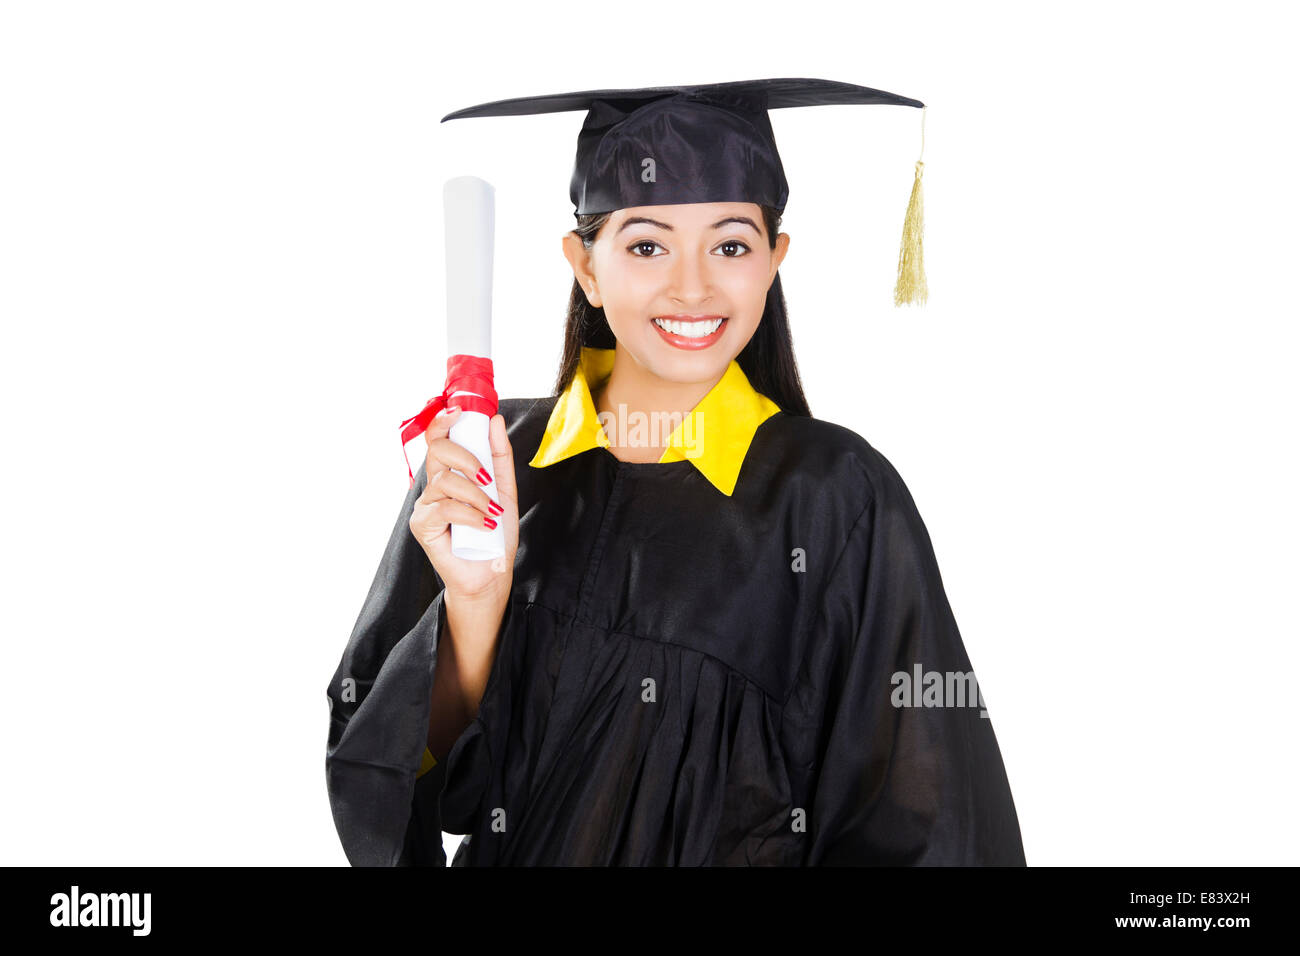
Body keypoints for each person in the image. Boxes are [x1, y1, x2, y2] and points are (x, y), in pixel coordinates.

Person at [325, 79, 1027, 866]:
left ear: (774, 262)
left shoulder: (836, 502)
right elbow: (397, 783)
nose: (691, 287)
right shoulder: (487, 462)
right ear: (584, 266)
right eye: (646, 244)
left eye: (731, 245)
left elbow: (931, 825)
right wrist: (474, 607)